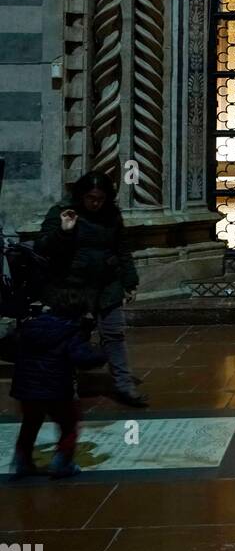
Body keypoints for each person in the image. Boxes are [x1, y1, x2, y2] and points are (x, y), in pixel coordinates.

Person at [36, 171, 145, 408]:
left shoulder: (111, 215)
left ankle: (124, 385)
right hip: (72, 288)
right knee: (73, 337)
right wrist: (64, 230)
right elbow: (43, 247)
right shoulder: (63, 213)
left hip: (107, 285)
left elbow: (121, 248)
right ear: (81, 196)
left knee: (114, 335)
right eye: (91, 198)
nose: (95, 203)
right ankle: (66, 386)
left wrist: (129, 281)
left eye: (100, 199)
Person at [10, 287, 107, 479]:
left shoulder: (31, 327)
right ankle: (62, 462)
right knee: (69, 424)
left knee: (30, 423)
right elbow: (82, 359)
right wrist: (101, 354)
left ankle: (23, 461)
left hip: (27, 387)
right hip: (56, 389)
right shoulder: (71, 332)